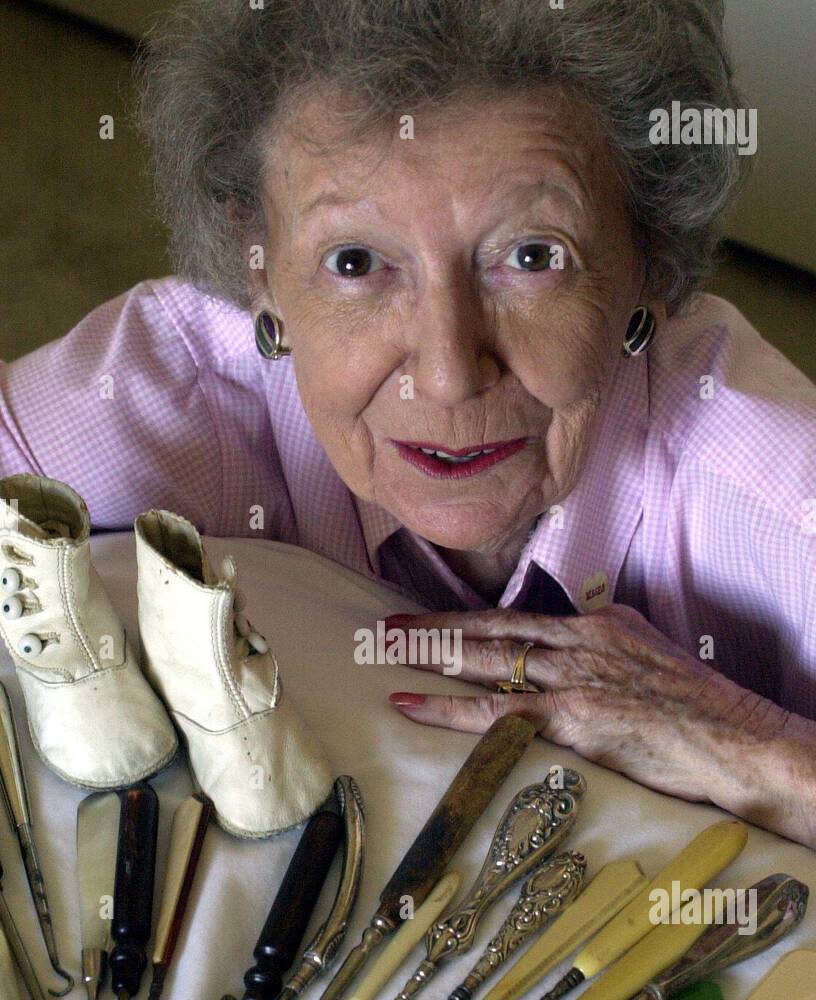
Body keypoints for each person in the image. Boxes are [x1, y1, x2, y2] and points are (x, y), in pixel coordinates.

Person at [1, 0, 815, 844]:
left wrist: (743, 742)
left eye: (532, 256)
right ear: (259, 274)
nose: (450, 372)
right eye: (355, 262)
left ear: (649, 263)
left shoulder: (778, 487)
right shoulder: (188, 372)